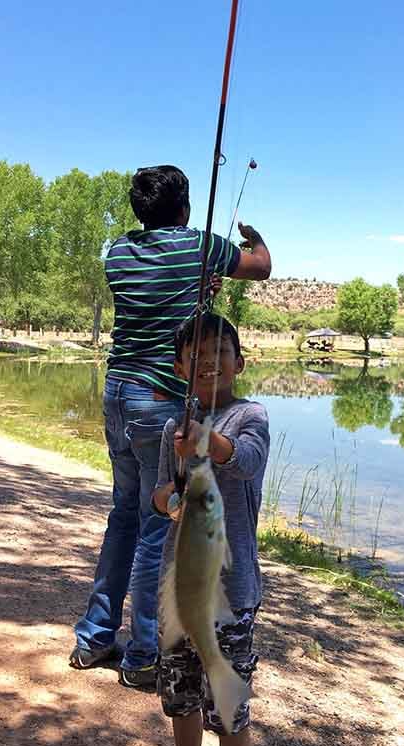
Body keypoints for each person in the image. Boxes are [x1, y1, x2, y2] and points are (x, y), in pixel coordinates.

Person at [70, 165, 271, 689]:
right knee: (158, 528)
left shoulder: (117, 252)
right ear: (184, 208)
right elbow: (260, 267)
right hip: (161, 402)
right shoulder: (198, 246)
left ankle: (93, 639)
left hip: (117, 394)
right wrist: (253, 239)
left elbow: (161, 291)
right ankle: (141, 655)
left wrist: (196, 290)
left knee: (124, 517)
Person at [153, 313, 270, 746]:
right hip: (179, 585)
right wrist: (170, 500)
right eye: (195, 355)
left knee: (228, 708)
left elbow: (244, 460)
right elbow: (161, 494)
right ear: (180, 368)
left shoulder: (252, 416)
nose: (208, 362)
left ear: (239, 363)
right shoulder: (172, 429)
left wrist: (204, 441)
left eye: (219, 352)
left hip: (232, 590)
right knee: (180, 693)